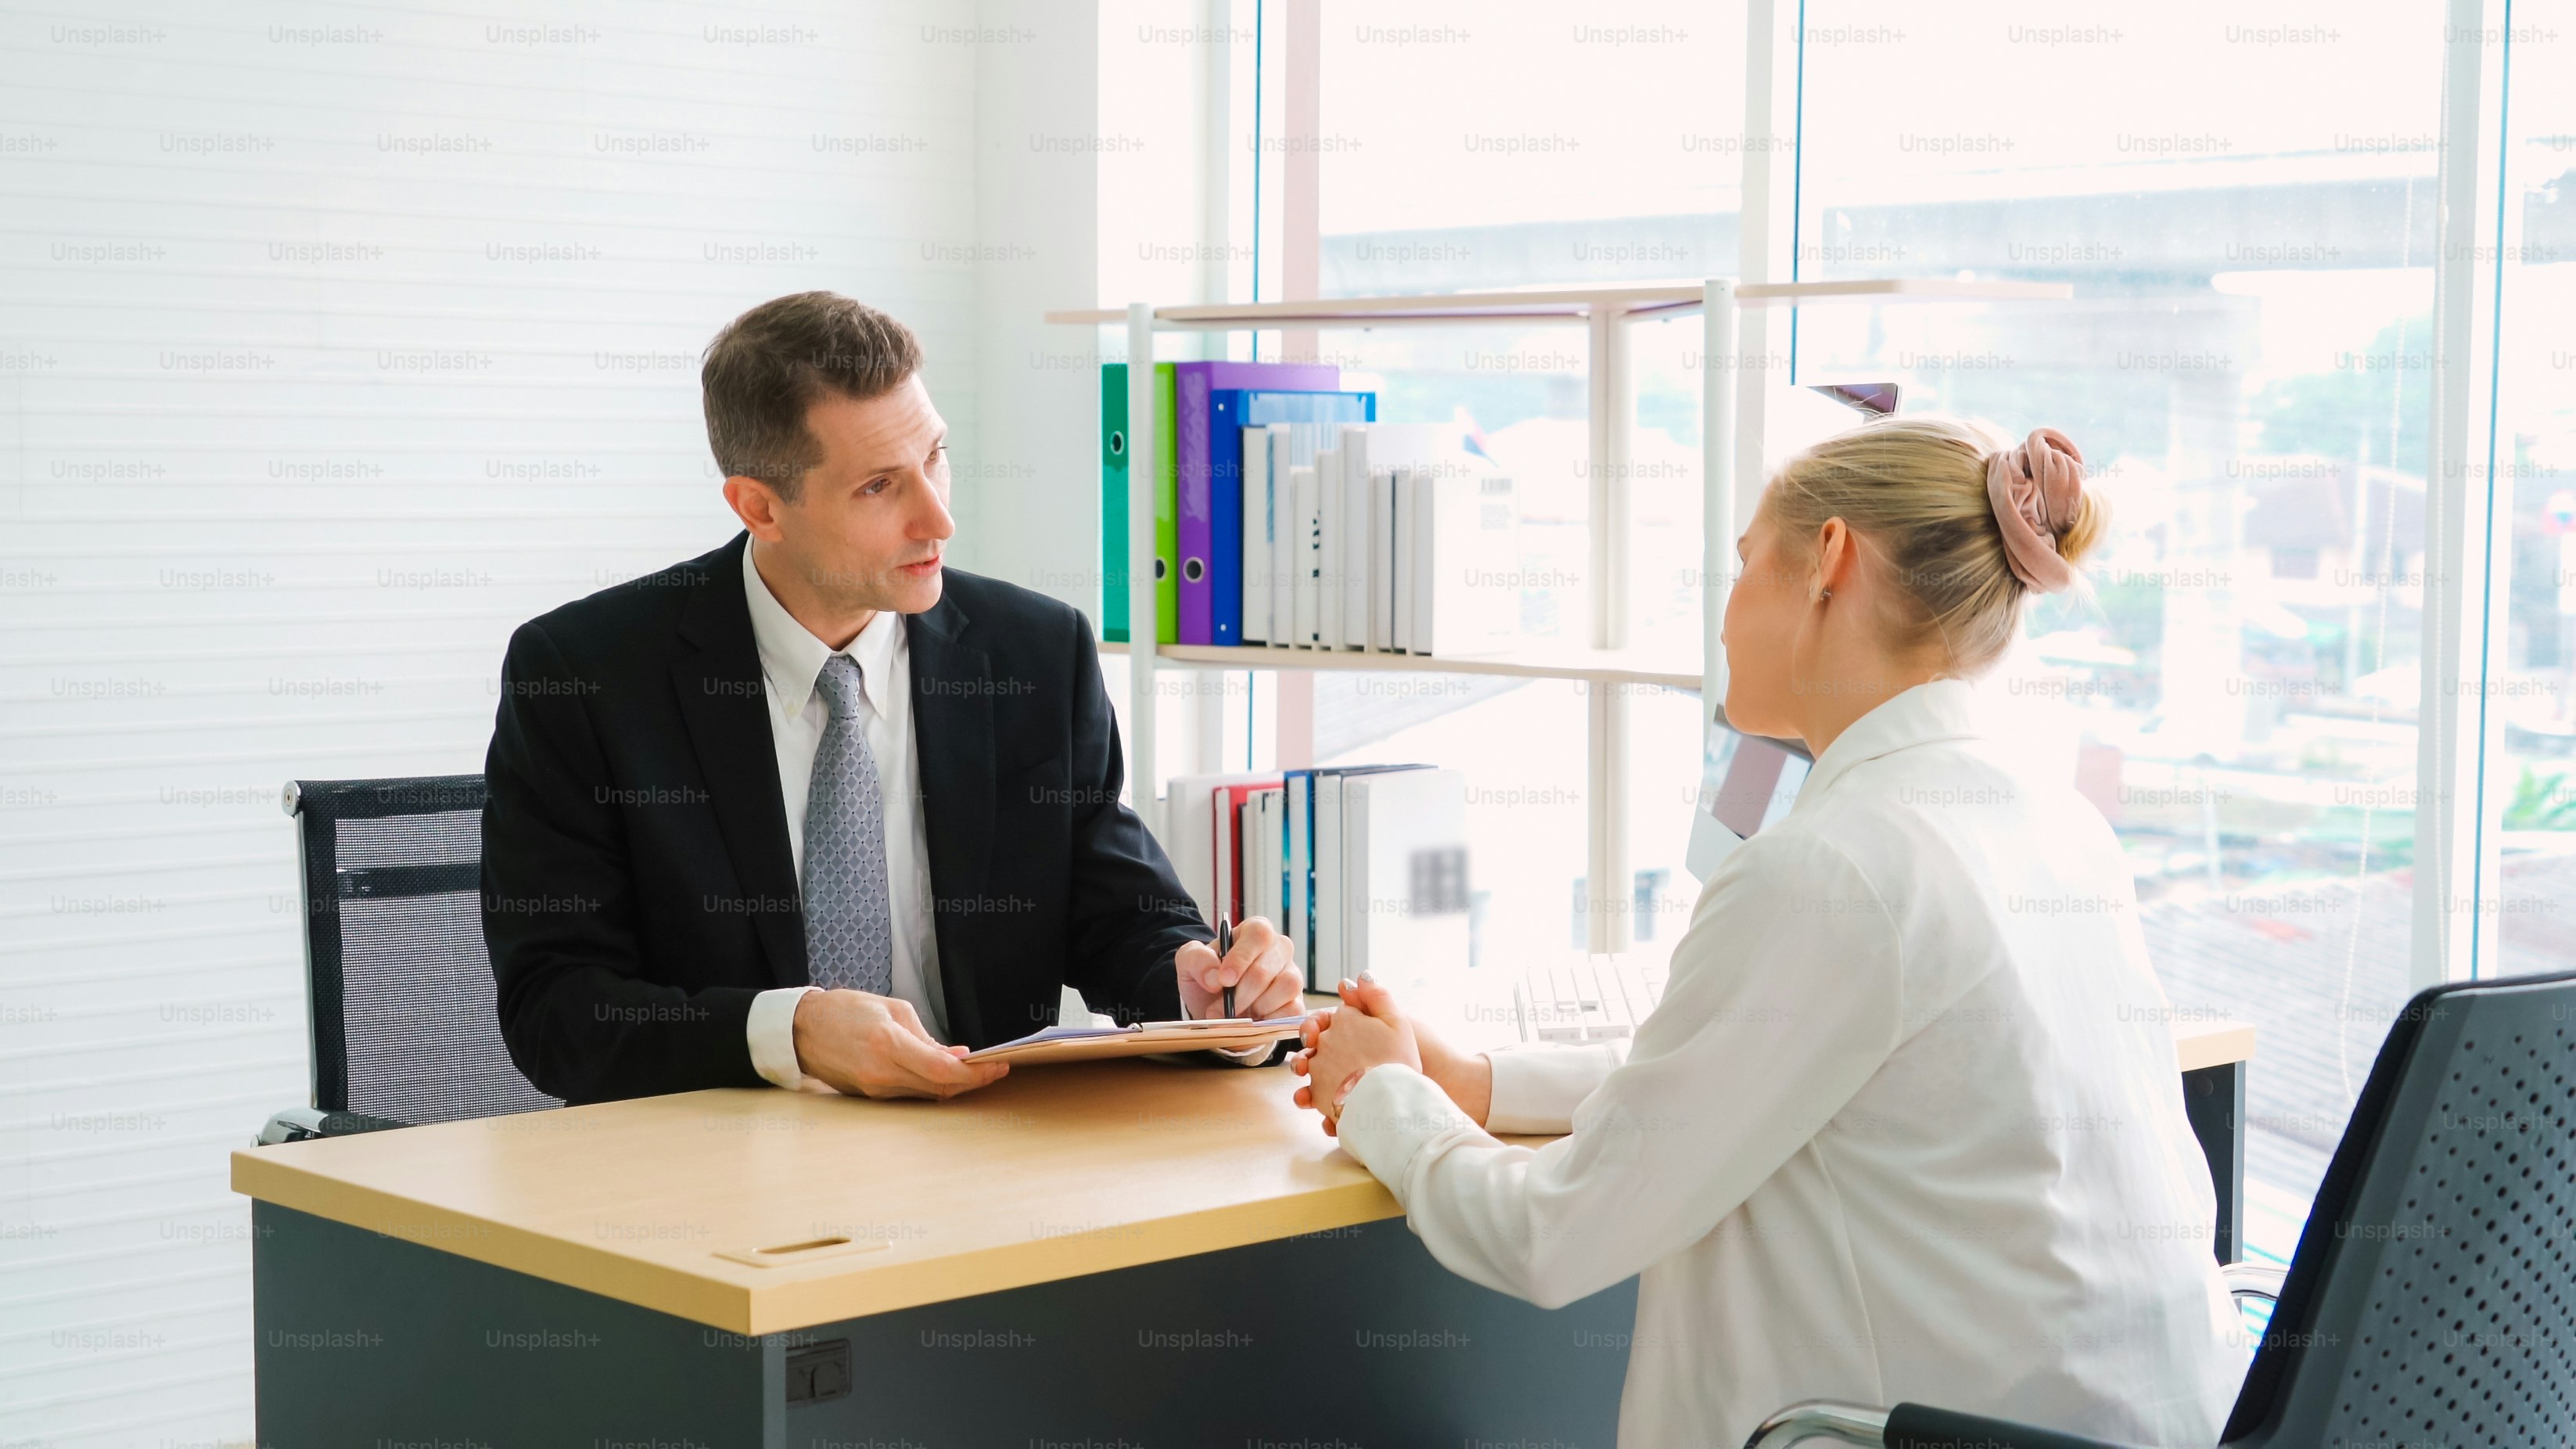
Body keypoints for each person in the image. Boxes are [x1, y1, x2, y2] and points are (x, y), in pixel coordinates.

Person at [1291, 417, 2248, 1447]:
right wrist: (1481, 1085)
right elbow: (1774, 1069)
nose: (1721, 619)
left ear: (1829, 560)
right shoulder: (2056, 825)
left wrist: (1376, 1095)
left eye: (1744, 566)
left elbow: (1548, 1238)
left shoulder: (1831, 867)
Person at [480, 292, 1299, 1105]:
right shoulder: (587, 676)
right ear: (759, 506)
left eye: (935, 457)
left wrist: (1196, 987)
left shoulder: (1031, 654)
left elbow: (1116, 915)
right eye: (878, 487)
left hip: (986, 1154)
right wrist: (791, 1031)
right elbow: (556, 1009)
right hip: (719, 1174)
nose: (937, 519)